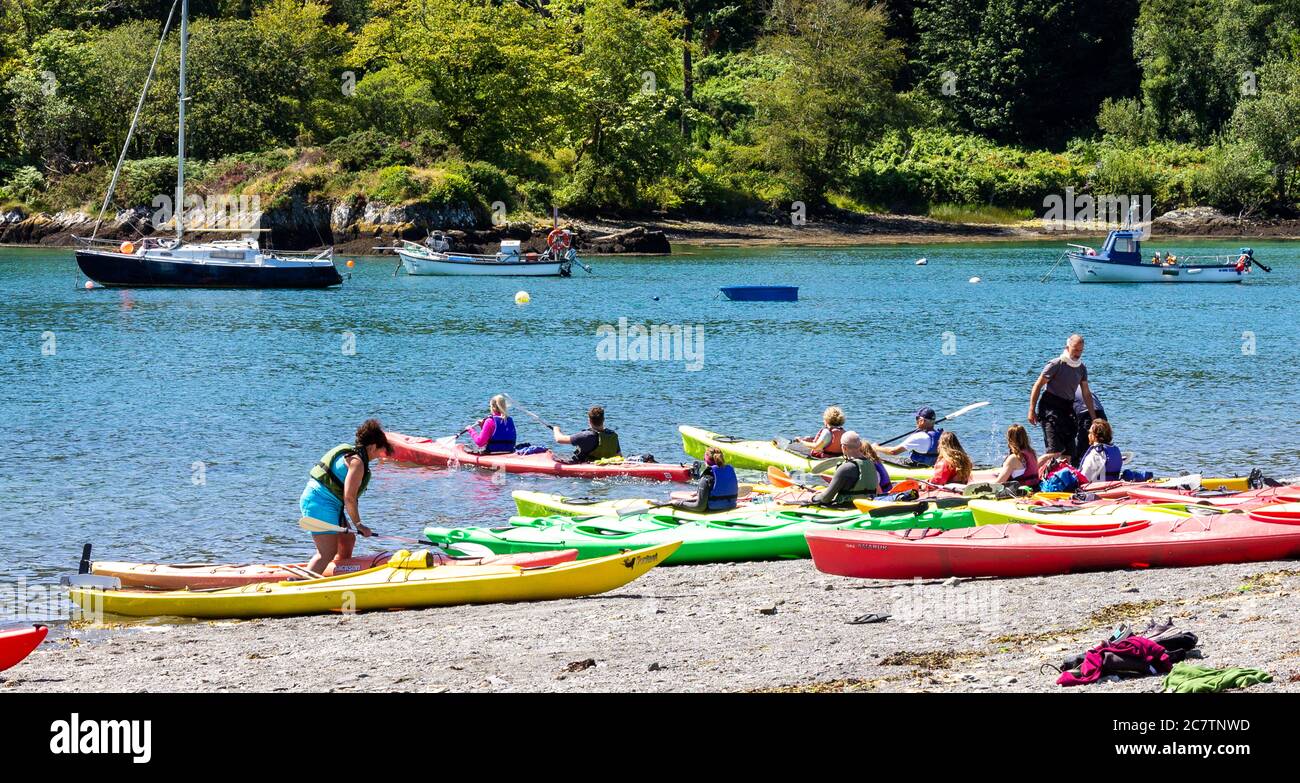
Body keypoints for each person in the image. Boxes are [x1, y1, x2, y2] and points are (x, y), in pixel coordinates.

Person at [300, 419, 391, 574]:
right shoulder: (357, 463)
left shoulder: (352, 453)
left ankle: (334, 573)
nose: (380, 456)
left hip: (329, 503)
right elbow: (349, 498)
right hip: (319, 502)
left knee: (347, 540)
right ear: (373, 446)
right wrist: (359, 525)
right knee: (326, 552)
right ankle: (300, 586)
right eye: (380, 451)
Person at [1028, 334, 1096, 462]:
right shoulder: (1056, 364)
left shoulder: (1081, 368)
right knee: (1054, 451)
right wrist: (1031, 410)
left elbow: (1086, 393)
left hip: (1068, 408)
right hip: (1050, 407)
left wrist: (1093, 417)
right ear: (1067, 347)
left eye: (1080, 350)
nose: (1078, 354)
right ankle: (1033, 473)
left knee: (1069, 452)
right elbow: (1037, 385)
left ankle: (1064, 479)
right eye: (1075, 350)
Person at [810, 432, 882, 508]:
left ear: (844, 448)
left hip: (846, 508)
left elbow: (826, 498)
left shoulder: (845, 468)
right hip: (866, 506)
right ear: (860, 445)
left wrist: (813, 497)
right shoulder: (871, 464)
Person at [670, 447, 738, 513]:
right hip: (730, 505)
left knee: (676, 501)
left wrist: (679, 503)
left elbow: (699, 507)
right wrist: (699, 492)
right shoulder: (729, 471)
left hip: (714, 509)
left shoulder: (706, 478)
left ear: (705, 460)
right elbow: (722, 486)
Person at [872, 406, 943, 467]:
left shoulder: (919, 437)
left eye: (917, 419)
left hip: (917, 467)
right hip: (933, 466)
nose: (916, 421)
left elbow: (893, 452)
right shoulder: (942, 435)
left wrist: (876, 448)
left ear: (921, 421)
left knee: (883, 460)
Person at [975, 424, 1040, 487]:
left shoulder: (1013, 458)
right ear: (1025, 437)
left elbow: (999, 483)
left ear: (1010, 439)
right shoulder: (1031, 453)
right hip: (1034, 487)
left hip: (1019, 492)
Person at [552, 405, 621, 463]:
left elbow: (559, 439)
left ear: (589, 421)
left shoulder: (586, 435)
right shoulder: (613, 435)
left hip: (588, 466)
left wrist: (556, 429)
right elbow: (619, 456)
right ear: (603, 419)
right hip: (606, 467)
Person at [1072, 388, 1106, 466]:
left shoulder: (1065, 390)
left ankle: (1077, 471)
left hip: (1086, 415)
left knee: (1082, 451)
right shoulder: (1081, 387)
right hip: (1101, 413)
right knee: (1103, 443)